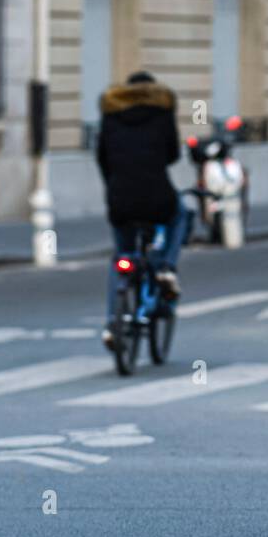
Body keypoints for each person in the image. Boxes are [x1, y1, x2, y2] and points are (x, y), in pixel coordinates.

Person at [97, 71, 192, 348]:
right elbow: (172, 154)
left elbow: (102, 157)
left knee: (123, 257)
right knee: (180, 215)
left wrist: (114, 184)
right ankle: (165, 267)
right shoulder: (161, 112)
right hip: (156, 196)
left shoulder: (111, 115)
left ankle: (113, 324)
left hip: (120, 199)